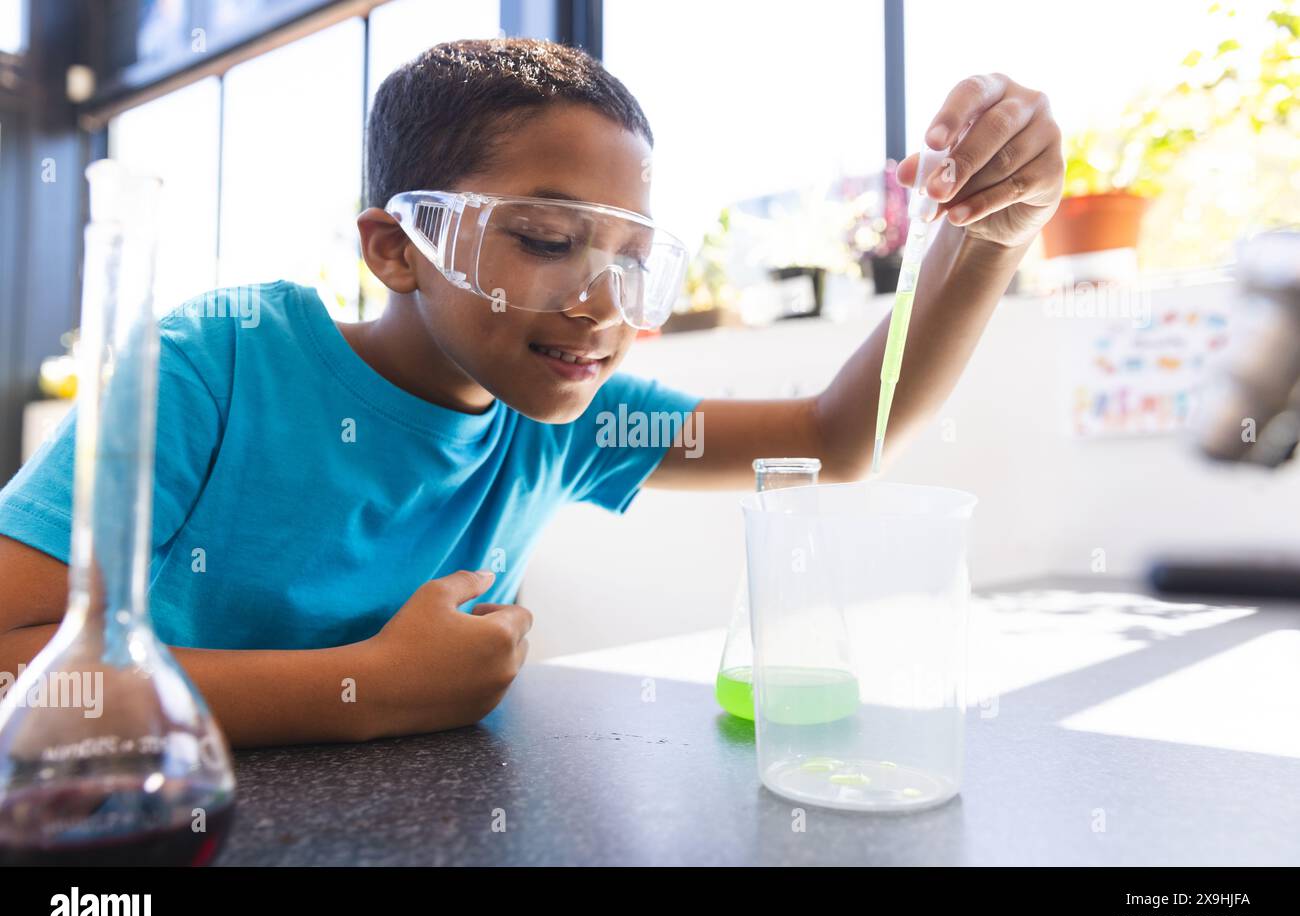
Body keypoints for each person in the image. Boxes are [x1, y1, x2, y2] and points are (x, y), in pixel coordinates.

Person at [0, 39, 1063, 747]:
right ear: (397, 248)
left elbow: (835, 439)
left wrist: (986, 237)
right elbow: (11, 675)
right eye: (547, 241)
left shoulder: (560, 412)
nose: (602, 305)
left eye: (630, 258)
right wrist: (365, 688)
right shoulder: (211, 366)